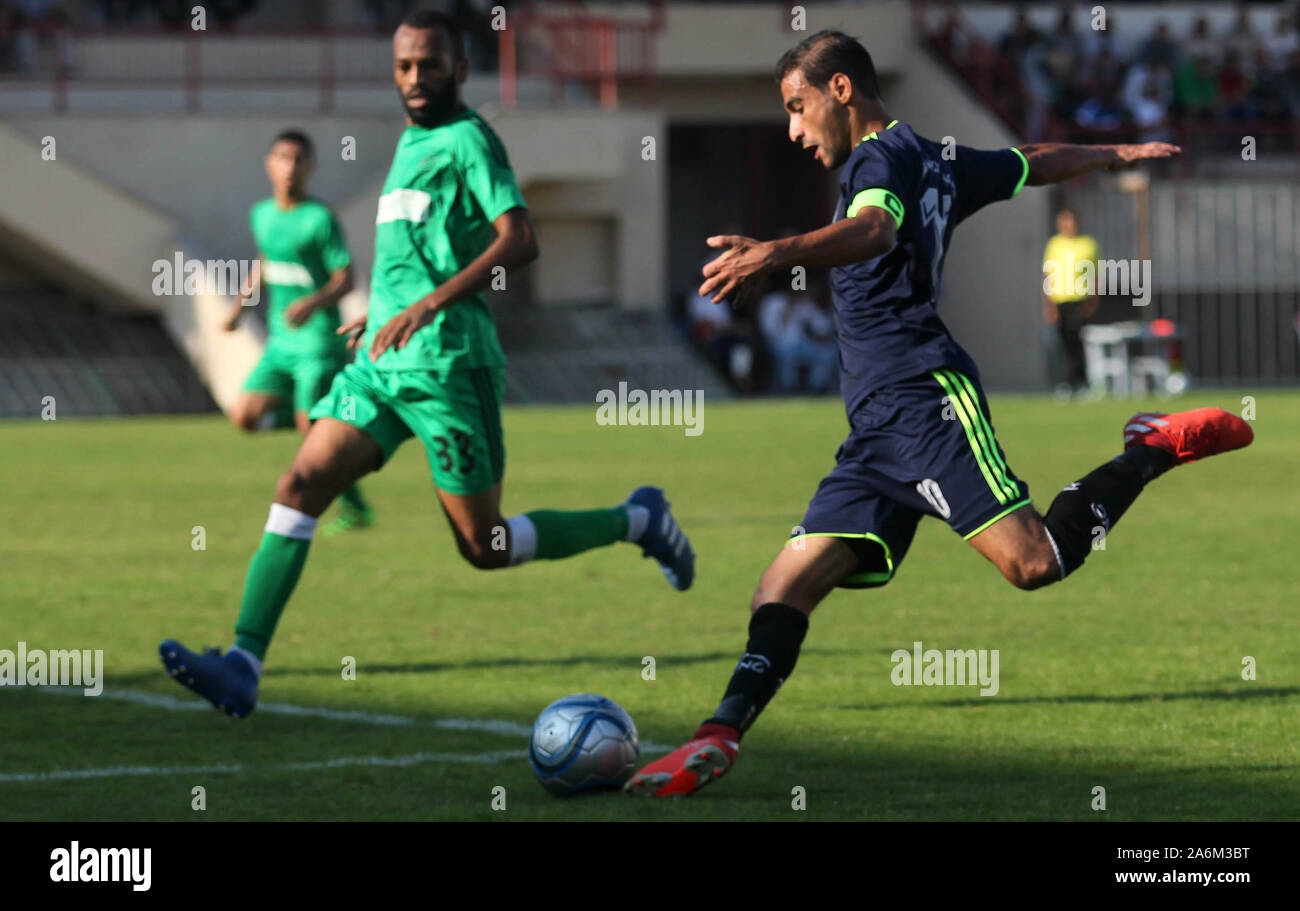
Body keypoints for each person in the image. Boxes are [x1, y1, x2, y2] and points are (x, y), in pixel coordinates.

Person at [625, 30, 1252, 797]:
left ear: (842, 90)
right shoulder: (939, 158)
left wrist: (777, 251)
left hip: (926, 401)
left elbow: (878, 227)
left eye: (797, 107)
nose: (792, 128)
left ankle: (1148, 448)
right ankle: (716, 737)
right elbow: (1029, 163)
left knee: (1036, 562)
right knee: (781, 588)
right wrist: (1112, 154)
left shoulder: (878, 163)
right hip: (874, 433)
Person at [159, 10, 696, 718]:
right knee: (300, 481)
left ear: (459, 69)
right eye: (405, 65)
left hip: (450, 369)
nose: (416, 78)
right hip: (381, 363)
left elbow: (520, 236)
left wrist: (429, 306)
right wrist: (382, 313)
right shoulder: (411, 142)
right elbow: (412, 253)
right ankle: (244, 662)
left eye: (431, 65)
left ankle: (637, 520)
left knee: (486, 544)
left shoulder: (470, 140)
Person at [221, 129, 374, 537]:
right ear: (269, 164)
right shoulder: (262, 215)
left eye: (298, 160)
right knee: (245, 417)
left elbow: (347, 278)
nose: (289, 168)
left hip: (319, 343)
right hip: (280, 344)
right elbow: (267, 262)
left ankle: (356, 508)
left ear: (310, 167)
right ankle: (320, 422)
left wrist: (313, 302)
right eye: (282, 158)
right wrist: (239, 307)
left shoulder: (320, 219)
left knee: (313, 435)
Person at [1042, 208, 1099, 395]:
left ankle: (1079, 382)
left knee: (1078, 341)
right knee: (1063, 341)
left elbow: (1095, 274)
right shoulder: (1054, 244)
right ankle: (1068, 381)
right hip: (1060, 299)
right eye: (1063, 221)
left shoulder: (1088, 244)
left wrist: (1092, 301)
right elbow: (1048, 275)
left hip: (1079, 299)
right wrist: (1049, 305)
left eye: (1070, 221)